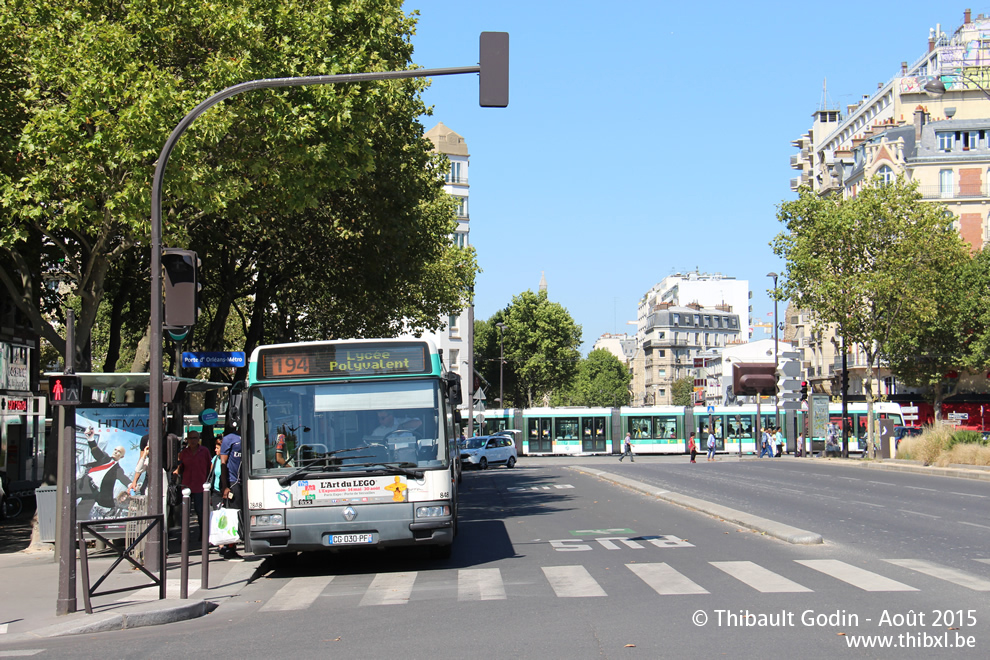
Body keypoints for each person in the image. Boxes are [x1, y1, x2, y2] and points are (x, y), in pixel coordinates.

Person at [76, 427, 130, 521]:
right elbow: (96, 451)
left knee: (80, 515)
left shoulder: (118, 470)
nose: (116, 452)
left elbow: (123, 478)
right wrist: (90, 438)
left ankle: (76, 530)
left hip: (94, 492)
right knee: (66, 500)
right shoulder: (104, 457)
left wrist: (131, 485)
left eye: (119, 452)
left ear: (122, 456)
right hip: (84, 482)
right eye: (115, 450)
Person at [173, 430, 211, 540]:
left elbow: (210, 466)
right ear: (187, 440)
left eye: (195, 438)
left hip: (200, 485)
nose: (193, 440)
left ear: (198, 439)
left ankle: (203, 535)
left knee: (200, 511)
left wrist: (209, 481)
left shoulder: (204, 451)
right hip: (186, 486)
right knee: (185, 512)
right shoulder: (184, 452)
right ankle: (184, 536)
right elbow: (179, 467)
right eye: (191, 438)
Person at [219, 426, 243, 560]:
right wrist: (225, 486)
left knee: (240, 514)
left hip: (244, 480)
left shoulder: (250, 436)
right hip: (233, 482)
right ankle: (229, 548)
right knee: (233, 515)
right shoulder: (229, 439)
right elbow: (223, 462)